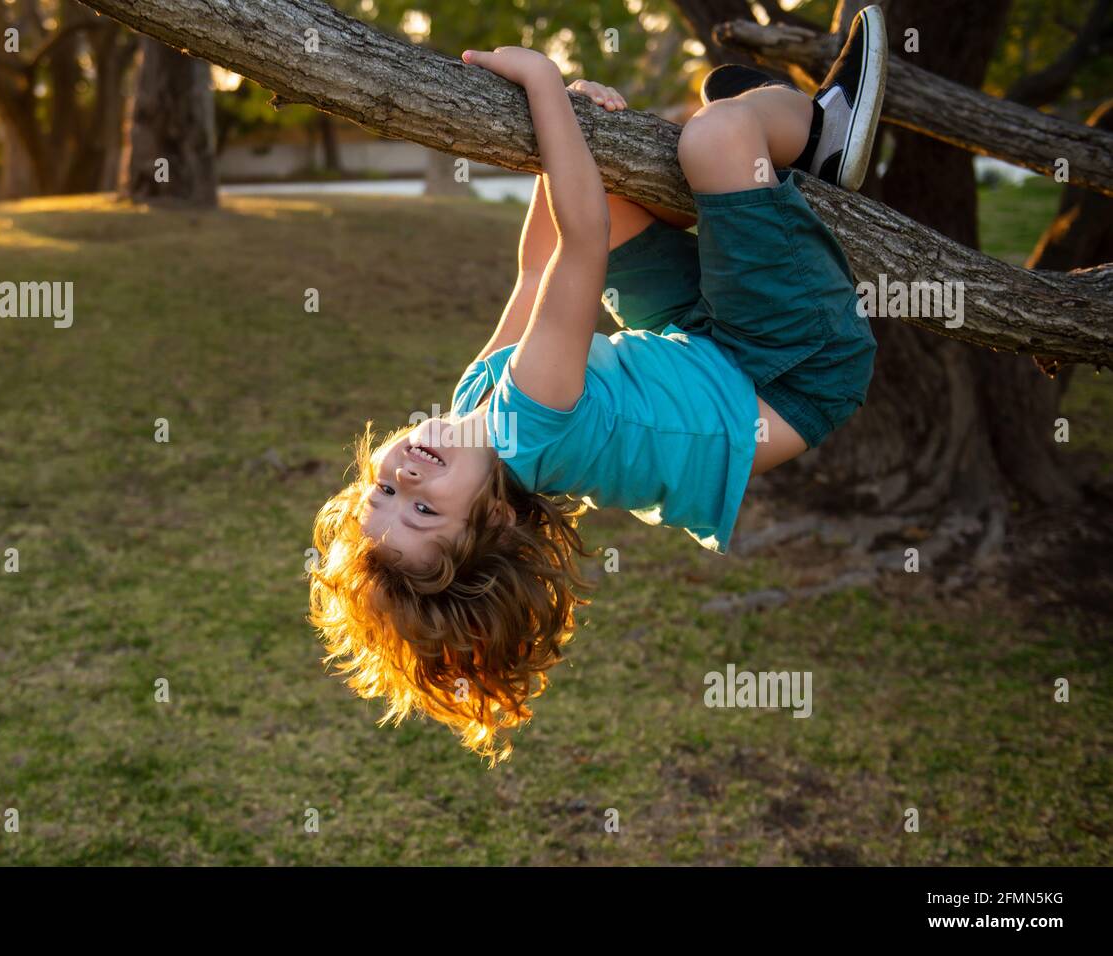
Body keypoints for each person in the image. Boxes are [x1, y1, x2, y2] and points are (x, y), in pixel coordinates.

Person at [310, 7, 887, 763]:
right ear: (499, 522)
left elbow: (539, 264)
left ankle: (757, 162)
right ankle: (820, 132)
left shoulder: (472, 407)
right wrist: (542, 82)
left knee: (609, 189)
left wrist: (573, 125)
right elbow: (576, 243)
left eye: (383, 497)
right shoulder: (531, 419)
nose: (403, 479)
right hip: (790, 374)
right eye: (423, 509)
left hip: (697, 346)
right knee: (715, 143)